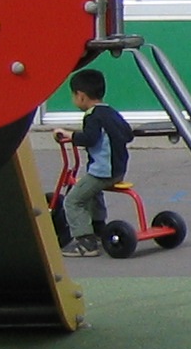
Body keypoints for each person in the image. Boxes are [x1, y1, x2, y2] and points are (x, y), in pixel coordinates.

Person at [53, 68, 134, 257]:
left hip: (102, 172)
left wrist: (69, 135)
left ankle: (85, 241)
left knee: (73, 200)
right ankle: (98, 227)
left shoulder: (92, 116)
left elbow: (89, 138)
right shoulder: (110, 113)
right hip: (118, 171)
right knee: (91, 192)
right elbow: (128, 134)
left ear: (80, 96)